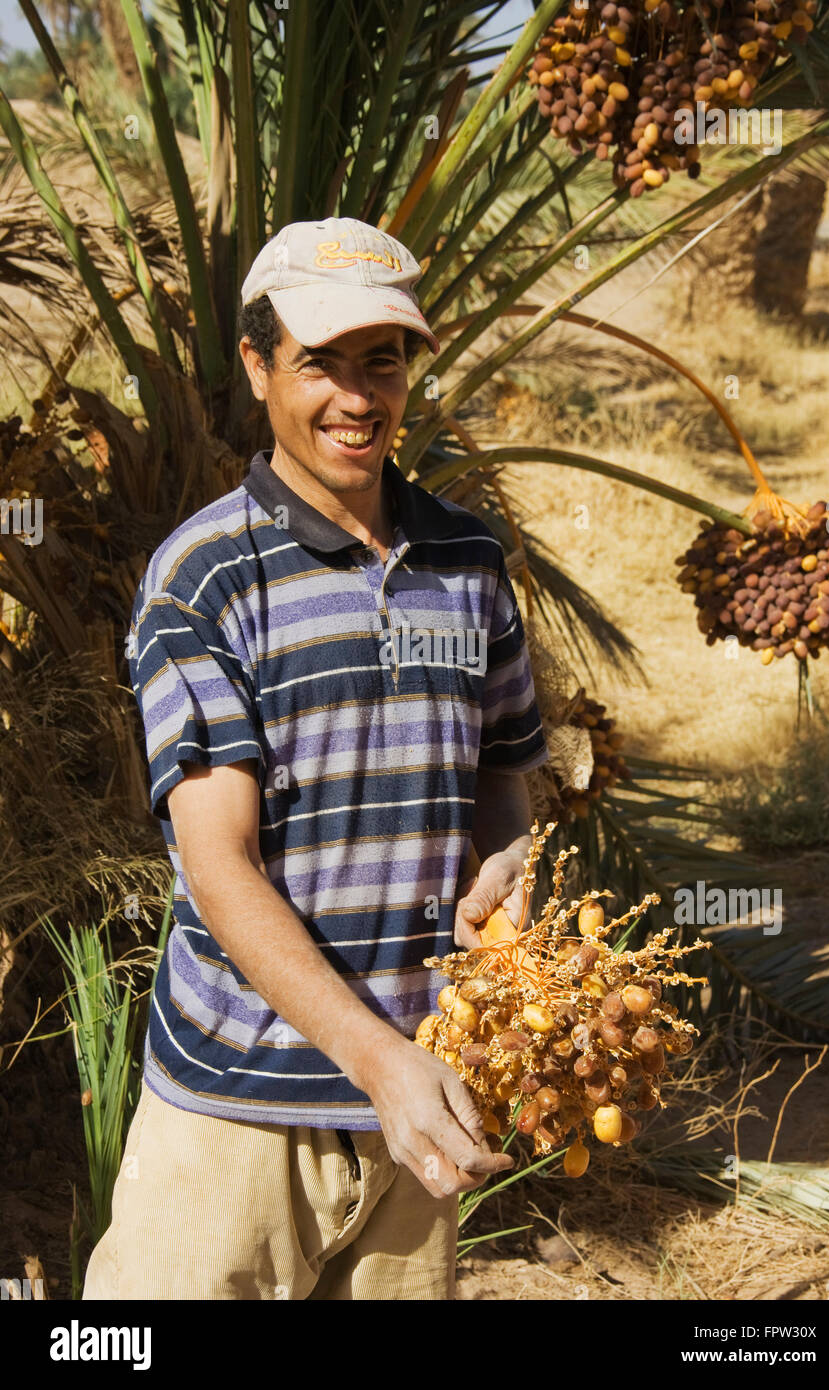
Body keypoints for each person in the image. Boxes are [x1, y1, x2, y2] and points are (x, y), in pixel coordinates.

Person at [83, 217, 548, 1301]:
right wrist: (377, 1062)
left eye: (381, 360)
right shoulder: (207, 579)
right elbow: (220, 863)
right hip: (240, 1109)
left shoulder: (467, 561)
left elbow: (502, 771)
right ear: (257, 366)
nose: (356, 396)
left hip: (421, 1098)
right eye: (319, 362)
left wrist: (504, 866)